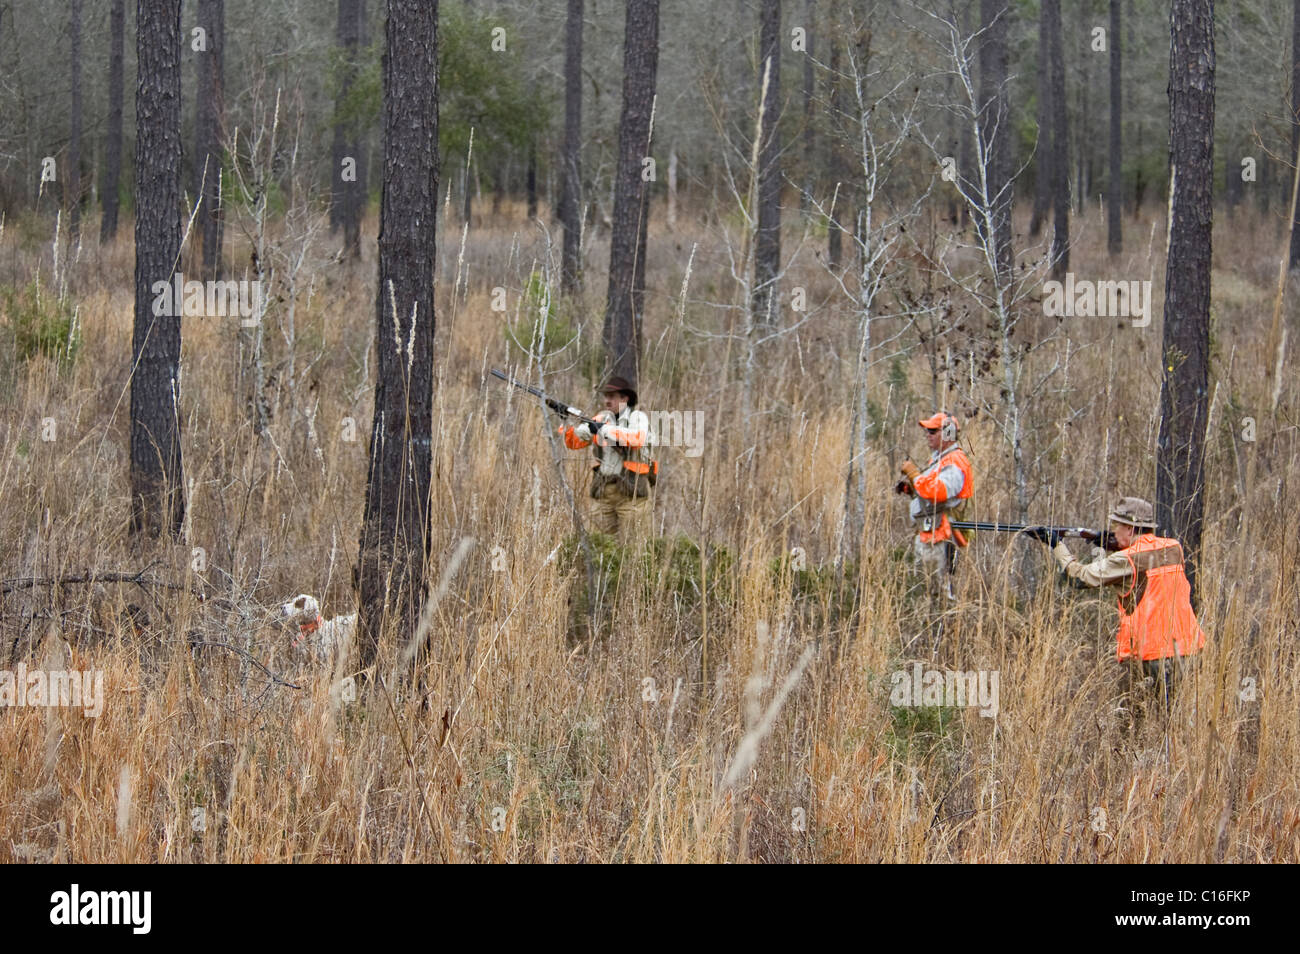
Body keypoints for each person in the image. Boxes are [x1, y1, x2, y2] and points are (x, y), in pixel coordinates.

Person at [1046, 496, 1206, 708]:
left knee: (1139, 722)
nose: (1112, 531)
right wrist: (1113, 546)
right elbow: (1145, 561)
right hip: (1190, 649)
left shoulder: (1125, 559)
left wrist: (1056, 545)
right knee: (1180, 720)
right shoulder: (1174, 548)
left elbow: (1079, 578)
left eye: (1116, 526)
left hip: (1152, 656)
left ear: (1130, 529)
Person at [558, 376, 657, 544]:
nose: (606, 400)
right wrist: (565, 421)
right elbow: (574, 443)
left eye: (611, 396)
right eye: (605, 396)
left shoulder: (638, 418)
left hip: (632, 495)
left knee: (635, 549)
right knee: (601, 547)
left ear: (624, 398)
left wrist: (603, 429)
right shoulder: (601, 418)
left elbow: (636, 439)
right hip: (604, 494)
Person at [895, 412, 973, 601]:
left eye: (932, 431)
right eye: (927, 431)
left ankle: (944, 629)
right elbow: (928, 492)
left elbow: (938, 492)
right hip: (930, 534)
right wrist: (911, 488)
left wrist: (914, 475)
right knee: (926, 590)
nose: (927, 435)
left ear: (948, 434)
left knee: (940, 594)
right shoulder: (939, 459)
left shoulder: (954, 462)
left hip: (942, 536)